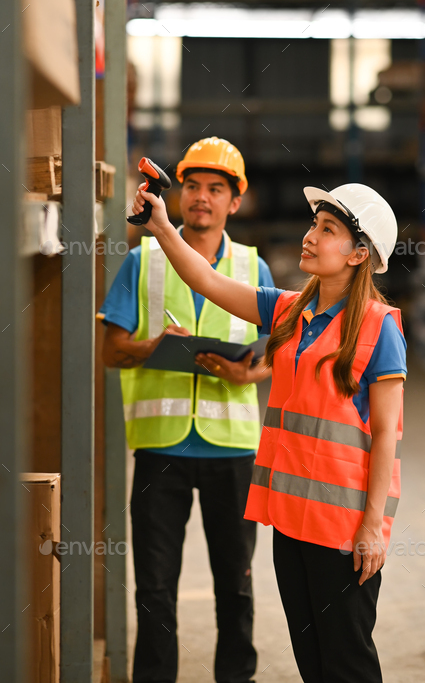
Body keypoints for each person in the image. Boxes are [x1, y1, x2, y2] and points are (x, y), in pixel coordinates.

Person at [129, 179, 407, 683]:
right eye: (313, 224)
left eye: (327, 229)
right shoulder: (288, 311)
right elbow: (207, 282)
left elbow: (387, 433)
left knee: (347, 664)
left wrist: (372, 526)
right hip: (291, 521)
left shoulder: (379, 326)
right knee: (311, 662)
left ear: (359, 255)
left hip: (342, 530)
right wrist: (162, 227)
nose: (310, 236)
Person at [100, 137, 275, 683]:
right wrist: (150, 348)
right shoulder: (141, 261)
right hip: (161, 450)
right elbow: (109, 351)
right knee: (154, 585)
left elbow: (285, 352)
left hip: (234, 450)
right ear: (178, 196)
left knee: (236, 581)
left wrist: (252, 372)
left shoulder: (253, 266)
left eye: (216, 189)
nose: (202, 197)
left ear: (235, 201)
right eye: (193, 186)